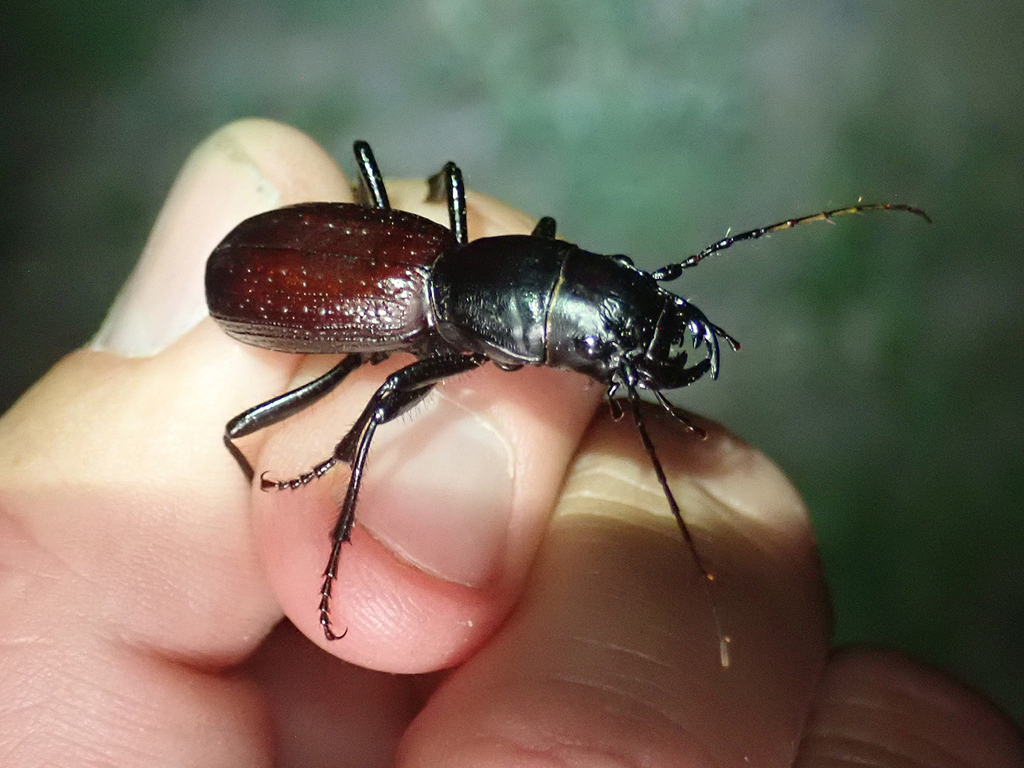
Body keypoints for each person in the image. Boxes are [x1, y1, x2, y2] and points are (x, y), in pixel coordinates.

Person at [0, 119, 1019, 767]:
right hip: (269, 287)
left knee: (373, 404)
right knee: (300, 425)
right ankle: (320, 491)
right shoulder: (424, 312)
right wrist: (318, 476)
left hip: (391, 273)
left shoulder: (456, 268)